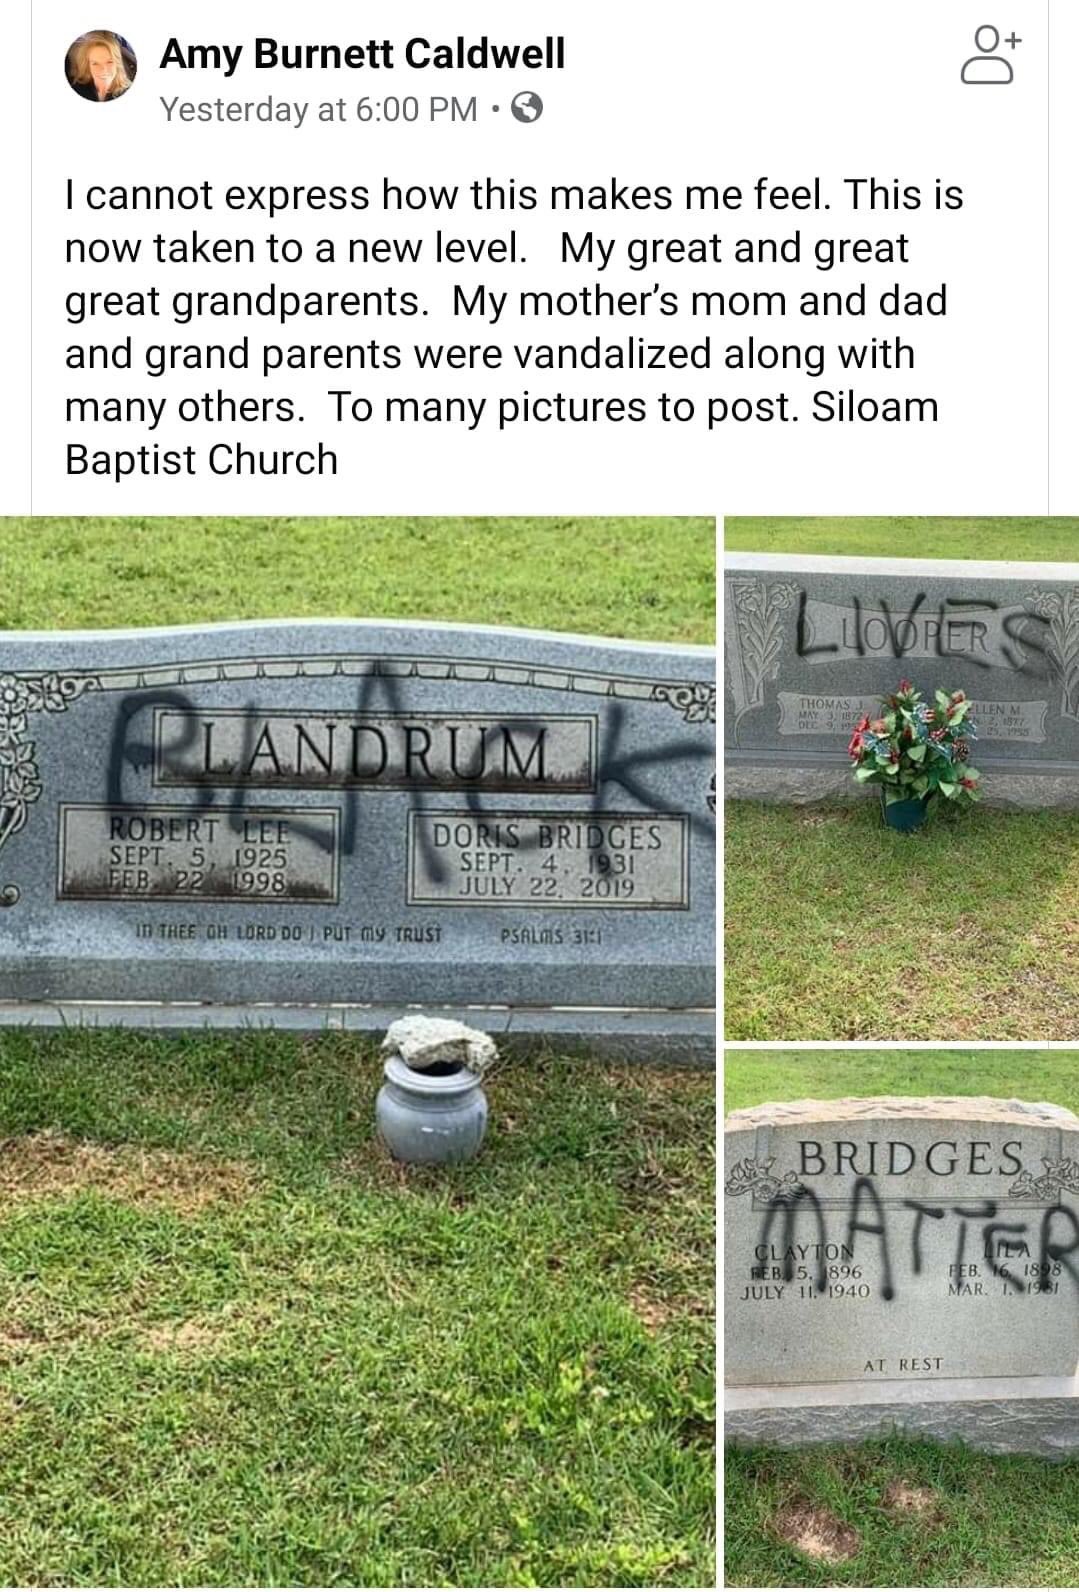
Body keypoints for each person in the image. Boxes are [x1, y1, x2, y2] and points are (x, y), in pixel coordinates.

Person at [66, 31, 135, 102]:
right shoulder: (76, 88)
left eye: (109, 62)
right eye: (95, 63)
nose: (103, 70)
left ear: (117, 63)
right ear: (88, 66)